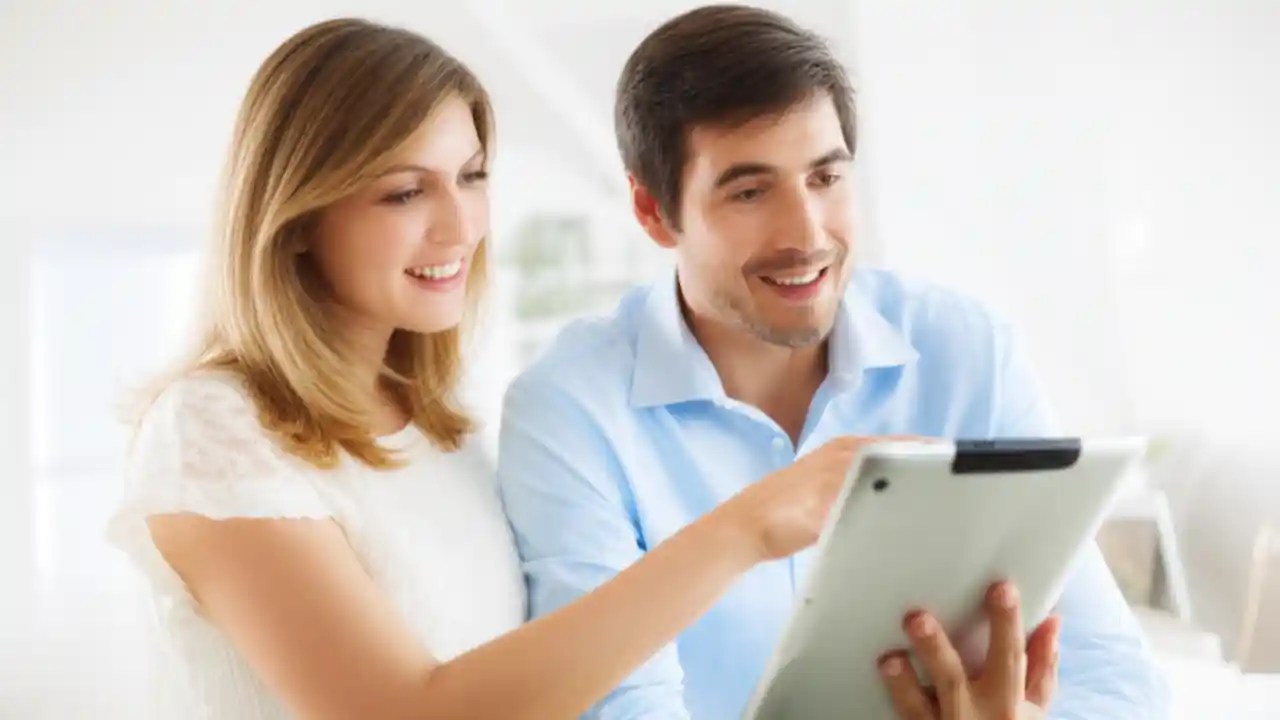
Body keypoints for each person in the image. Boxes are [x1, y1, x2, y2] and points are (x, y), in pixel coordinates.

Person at [106, 18, 895, 720]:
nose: (461, 226)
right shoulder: (215, 428)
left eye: (472, 177)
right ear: (296, 218)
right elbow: (405, 713)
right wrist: (745, 529)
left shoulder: (438, 428)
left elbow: (539, 681)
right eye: (405, 192)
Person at [497, 5, 1170, 719]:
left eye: (826, 178)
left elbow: (1116, 683)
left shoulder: (966, 352)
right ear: (652, 209)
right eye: (750, 192)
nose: (807, 235)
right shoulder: (569, 410)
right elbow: (623, 710)